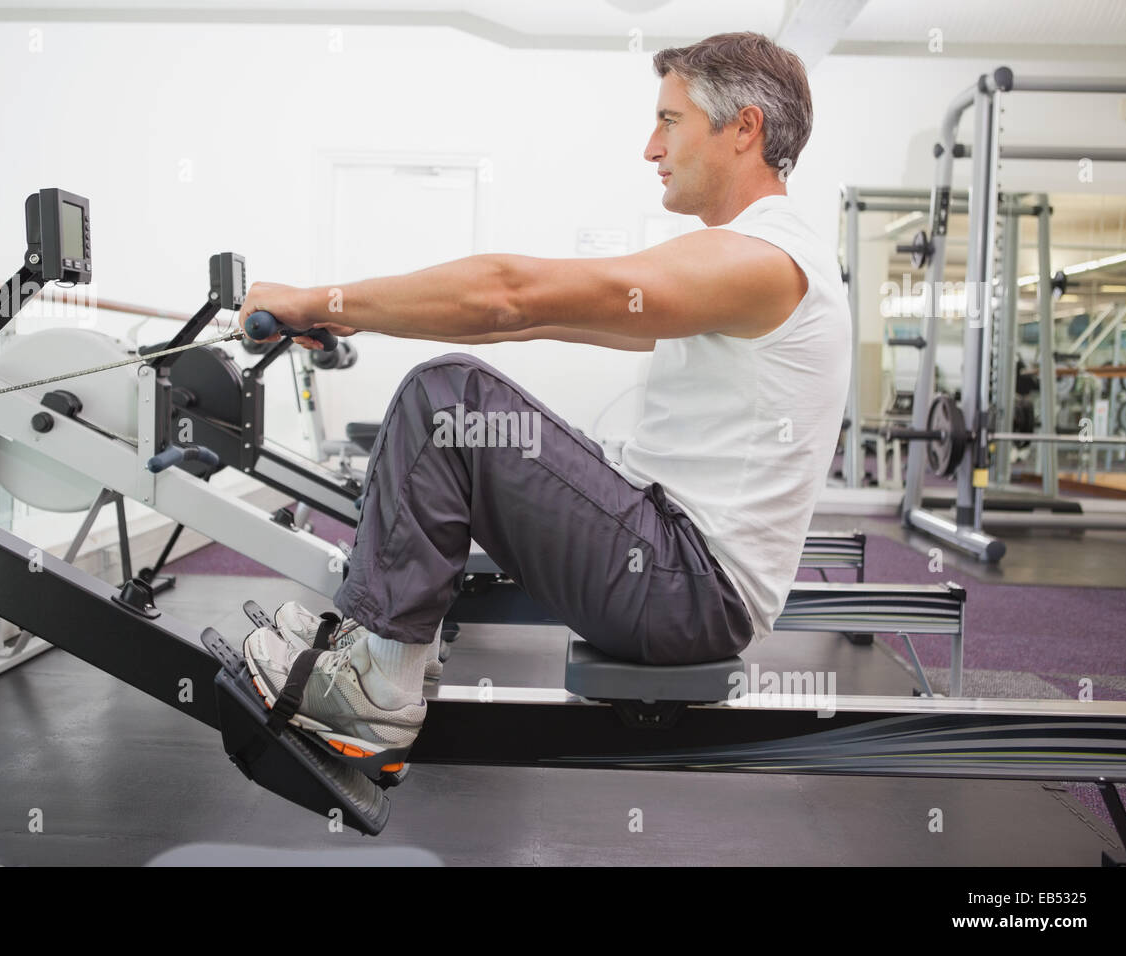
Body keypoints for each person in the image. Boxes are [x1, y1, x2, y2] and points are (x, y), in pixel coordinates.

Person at [236, 32, 851, 778]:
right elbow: (531, 316)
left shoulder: (762, 259)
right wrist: (354, 313)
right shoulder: (758, 258)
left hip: (685, 591)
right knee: (472, 409)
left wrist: (317, 297)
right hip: (680, 575)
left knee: (448, 401)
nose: (650, 148)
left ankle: (374, 688)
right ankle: (377, 648)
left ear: (744, 128)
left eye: (670, 121)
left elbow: (507, 295)